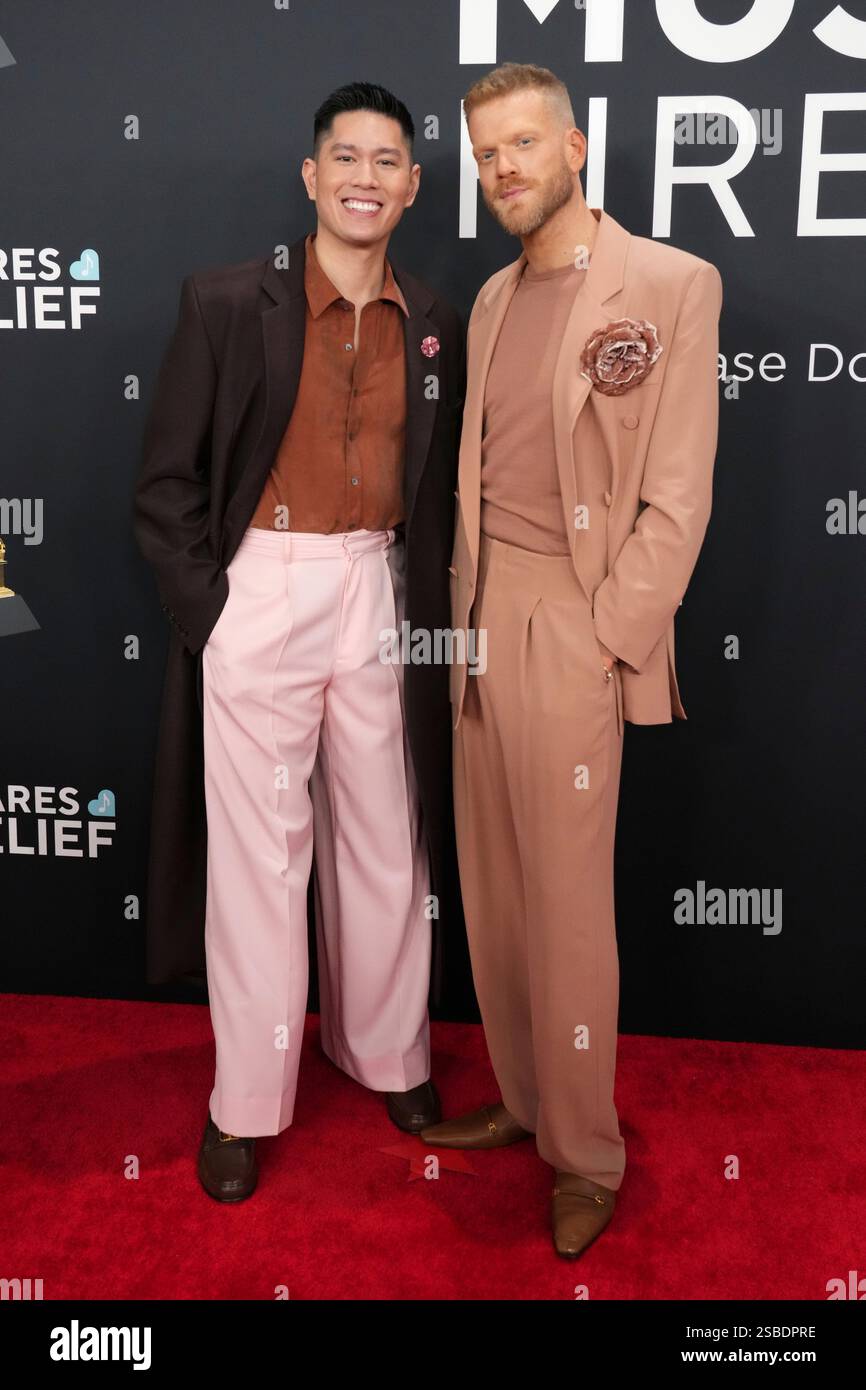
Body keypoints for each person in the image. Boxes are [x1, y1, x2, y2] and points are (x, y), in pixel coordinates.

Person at [133, 82, 466, 1202]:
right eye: (347, 158)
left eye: (388, 162)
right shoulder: (228, 300)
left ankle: (387, 1054)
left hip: (379, 585)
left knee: (387, 838)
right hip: (262, 589)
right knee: (260, 860)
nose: (366, 177)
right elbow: (165, 482)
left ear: (413, 187)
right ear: (312, 176)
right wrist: (212, 610)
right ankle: (244, 1102)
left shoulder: (433, 319)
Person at [421, 62, 723, 1259]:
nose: (502, 168)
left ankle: (585, 1151)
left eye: (521, 145)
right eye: (486, 152)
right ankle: (526, 1096)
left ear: (575, 147)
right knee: (493, 892)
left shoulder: (668, 282)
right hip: (475, 618)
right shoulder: (491, 297)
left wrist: (605, 641)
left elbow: (677, 494)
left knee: (566, 908)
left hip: (571, 625)